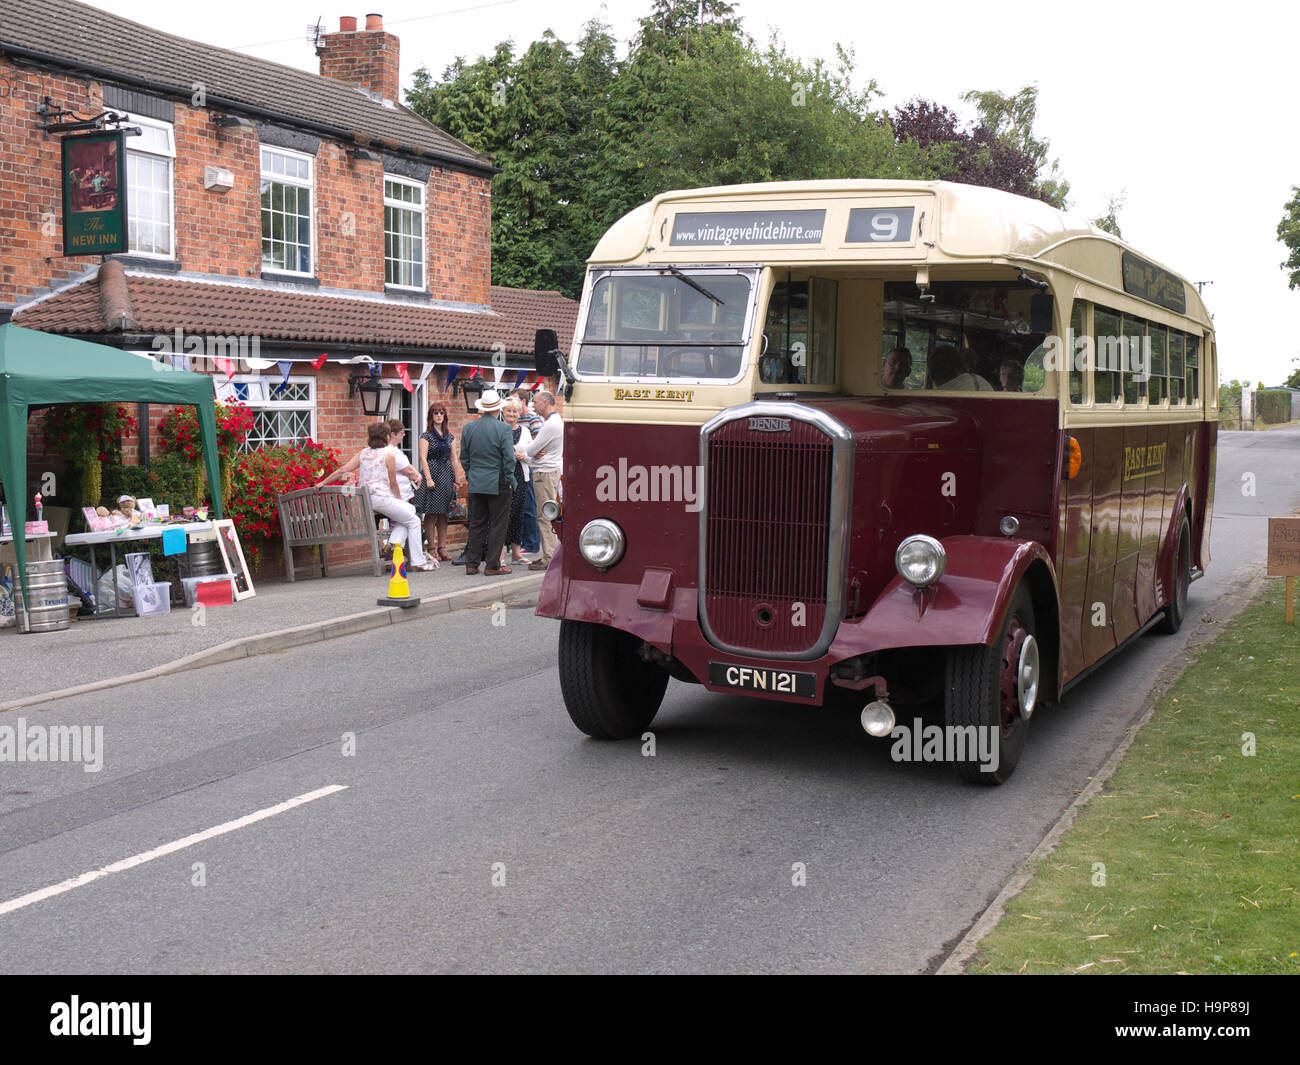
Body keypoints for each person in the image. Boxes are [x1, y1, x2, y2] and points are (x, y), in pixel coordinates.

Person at [318, 422, 436, 570]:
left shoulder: (363, 453)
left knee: (410, 511)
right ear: (386, 436)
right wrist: (399, 500)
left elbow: (343, 470)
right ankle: (418, 562)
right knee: (413, 521)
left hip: (367, 500)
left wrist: (323, 482)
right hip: (383, 499)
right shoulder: (389, 455)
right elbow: (393, 483)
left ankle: (393, 542)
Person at [458, 389, 515, 576]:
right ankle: (492, 565)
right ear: (498, 409)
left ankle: (472, 563)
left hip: (476, 480)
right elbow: (509, 458)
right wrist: (509, 479)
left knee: (476, 523)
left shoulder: (468, 428)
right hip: (497, 480)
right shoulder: (504, 429)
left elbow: (464, 457)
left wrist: (470, 474)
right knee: (498, 524)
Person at [412, 403, 462, 561]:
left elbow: (454, 458)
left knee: (444, 513)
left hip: (446, 475)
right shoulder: (426, 435)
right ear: (431, 416)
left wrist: (457, 478)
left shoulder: (450, 436)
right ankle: (431, 547)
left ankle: (442, 547)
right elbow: (422, 458)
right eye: (435, 413)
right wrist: (428, 478)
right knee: (432, 512)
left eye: (441, 413)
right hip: (432, 474)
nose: (439, 416)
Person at [525, 390, 563, 571]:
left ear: (546, 403)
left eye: (536, 401)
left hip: (545, 473)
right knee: (547, 514)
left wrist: (529, 454)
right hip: (549, 471)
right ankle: (549, 554)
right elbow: (533, 452)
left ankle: (549, 557)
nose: (533, 405)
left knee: (545, 516)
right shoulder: (555, 422)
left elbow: (531, 450)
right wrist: (531, 455)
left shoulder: (550, 425)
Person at [510, 389, 543, 555]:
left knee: (529, 508)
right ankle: (519, 542)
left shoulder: (533, 419)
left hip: (528, 468)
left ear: (523, 402)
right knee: (516, 509)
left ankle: (531, 543)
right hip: (513, 470)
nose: (511, 404)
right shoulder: (512, 421)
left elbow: (539, 445)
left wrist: (527, 456)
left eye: (514, 400)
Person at [502, 398, 533, 564]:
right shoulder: (499, 429)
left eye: (514, 411)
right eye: (508, 411)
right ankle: (500, 556)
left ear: (519, 413)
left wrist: (524, 456)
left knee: (518, 513)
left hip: (521, 474)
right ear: (503, 412)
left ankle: (516, 554)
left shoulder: (526, 431)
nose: (511, 414)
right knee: (503, 514)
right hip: (504, 476)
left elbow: (532, 454)